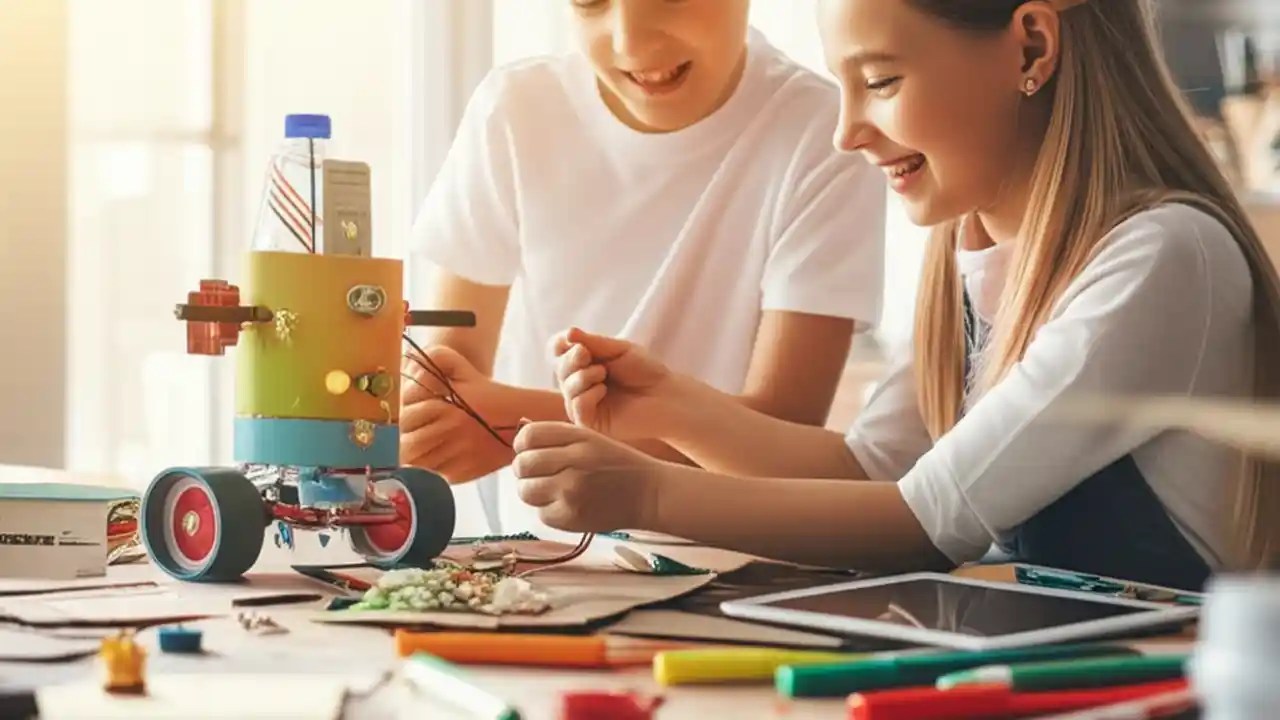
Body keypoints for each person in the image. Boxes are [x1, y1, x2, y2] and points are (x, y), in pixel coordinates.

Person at [514, 0, 1280, 590]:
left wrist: (646, 495)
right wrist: (677, 411)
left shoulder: (1165, 257)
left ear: (1031, 47)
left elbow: (924, 522)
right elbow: (871, 474)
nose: (846, 132)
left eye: (879, 82)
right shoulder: (966, 252)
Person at [402, 0, 886, 534]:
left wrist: (512, 425)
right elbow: (449, 373)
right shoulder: (516, 108)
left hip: (729, 554)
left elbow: (784, 436)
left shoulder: (827, 132)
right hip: (537, 556)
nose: (630, 42)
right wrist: (429, 416)